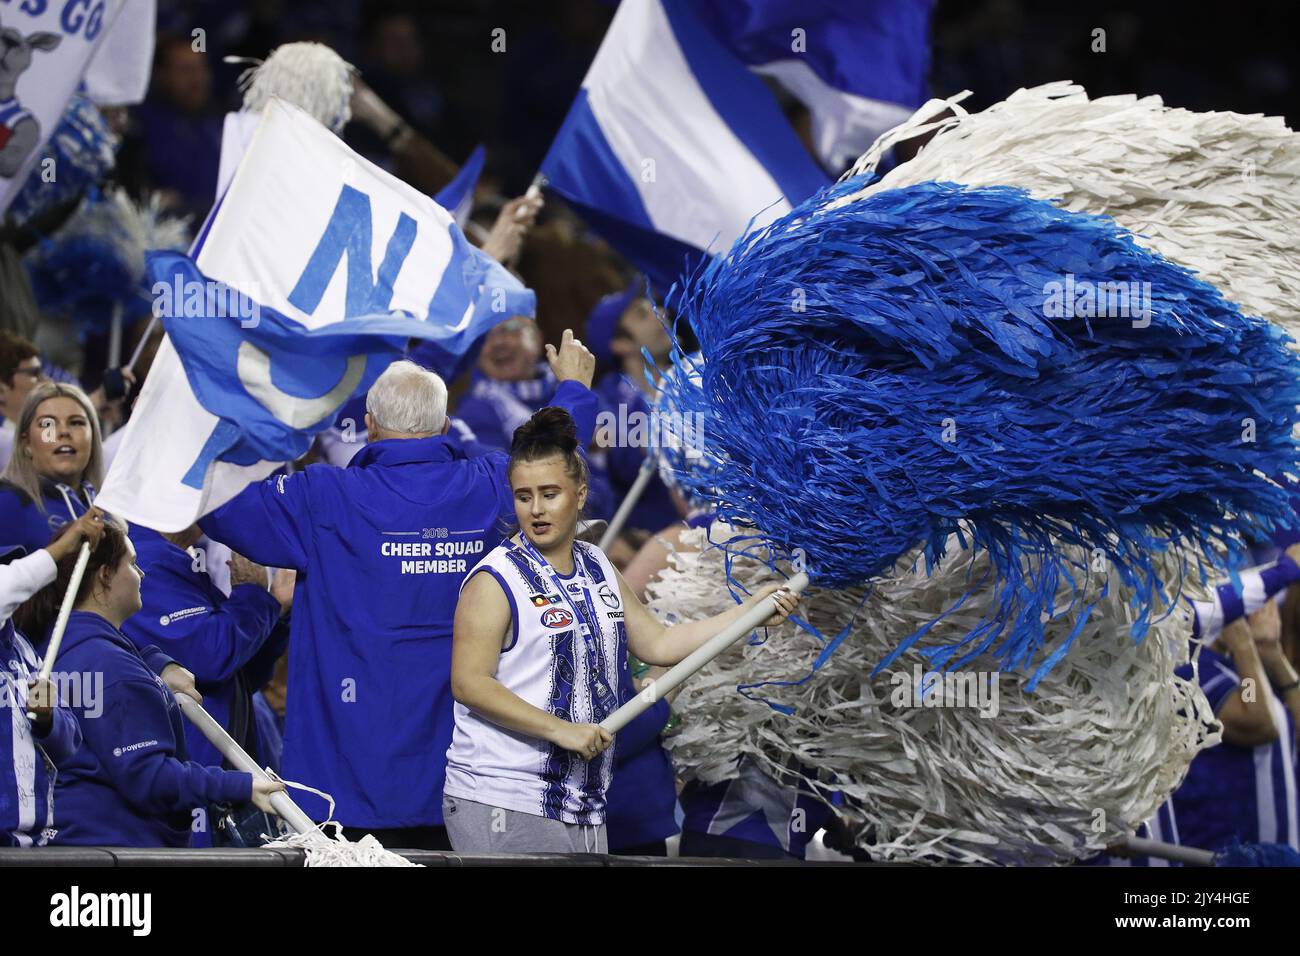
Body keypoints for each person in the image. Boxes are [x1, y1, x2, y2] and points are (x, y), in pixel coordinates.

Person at [197, 332, 598, 849]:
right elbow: (553, 458)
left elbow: (213, 504)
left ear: (368, 426)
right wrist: (572, 390)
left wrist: (212, 403)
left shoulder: (321, 497)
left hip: (341, 792)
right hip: (465, 788)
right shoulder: (491, 484)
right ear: (446, 427)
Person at [443, 406, 799, 853]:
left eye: (550, 493)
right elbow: (469, 682)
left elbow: (660, 643)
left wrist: (749, 613)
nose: (535, 509)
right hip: (503, 797)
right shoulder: (492, 580)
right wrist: (560, 730)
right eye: (523, 495)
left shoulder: (598, 564)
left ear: (580, 493)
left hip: (585, 800)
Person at [14, 521, 284, 847]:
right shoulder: (110, 666)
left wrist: (156, 664)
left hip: (73, 841)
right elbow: (150, 776)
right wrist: (242, 786)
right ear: (104, 576)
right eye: (131, 564)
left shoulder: (46, 650)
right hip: (119, 852)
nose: (141, 575)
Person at [121, 524, 293, 843]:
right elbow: (209, 658)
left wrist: (276, 611)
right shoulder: (146, 559)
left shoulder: (178, 558)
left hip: (216, 776)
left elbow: (237, 679)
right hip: (186, 780)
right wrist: (254, 597)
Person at [0, 510, 103, 846]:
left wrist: (47, 719)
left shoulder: (26, 651)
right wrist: (61, 550)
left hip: (30, 843)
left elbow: (68, 743)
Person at [1170, 600, 1299, 852]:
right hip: (1226, 851)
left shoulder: (1250, 673)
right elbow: (1260, 723)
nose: (1271, 608)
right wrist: (1243, 644)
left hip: (1275, 850)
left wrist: (1274, 656)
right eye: (1263, 600)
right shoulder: (1193, 673)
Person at [0, 382, 103, 553]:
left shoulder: (112, 511)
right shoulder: (7, 503)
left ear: (93, 440)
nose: (63, 432)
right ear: (26, 443)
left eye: (76, 423)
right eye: (48, 424)